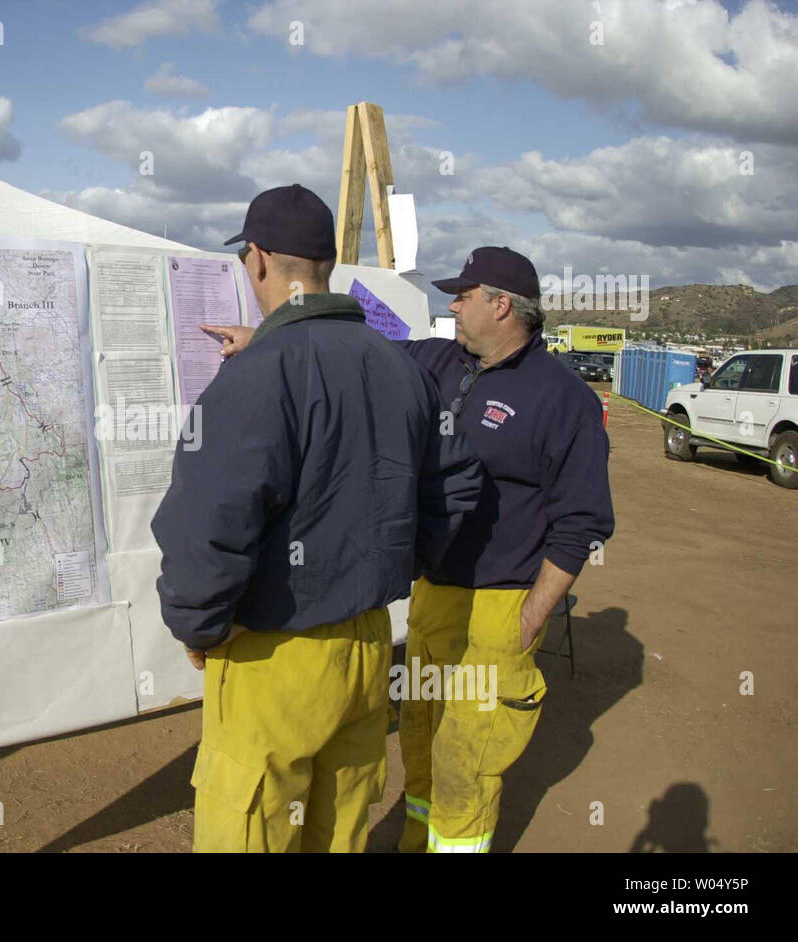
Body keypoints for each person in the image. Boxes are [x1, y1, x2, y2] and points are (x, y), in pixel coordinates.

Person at [202, 246, 616, 853]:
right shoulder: (439, 359)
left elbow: (582, 522)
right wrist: (264, 338)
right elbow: (351, 349)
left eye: (464, 295)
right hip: (436, 595)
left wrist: (533, 615)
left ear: (502, 306)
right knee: (420, 736)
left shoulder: (563, 399)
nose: (451, 304)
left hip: (503, 604)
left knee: (466, 759)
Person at [150, 184, 483, 852]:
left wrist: (200, 628)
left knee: (254, 831)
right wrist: (394, 565)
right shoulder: (400, 367)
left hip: (272, 652)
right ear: (327, 266)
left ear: (259, 260)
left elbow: (205, 527)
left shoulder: (254, 378)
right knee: (339, 830)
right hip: (366, 646)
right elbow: (455, 487)